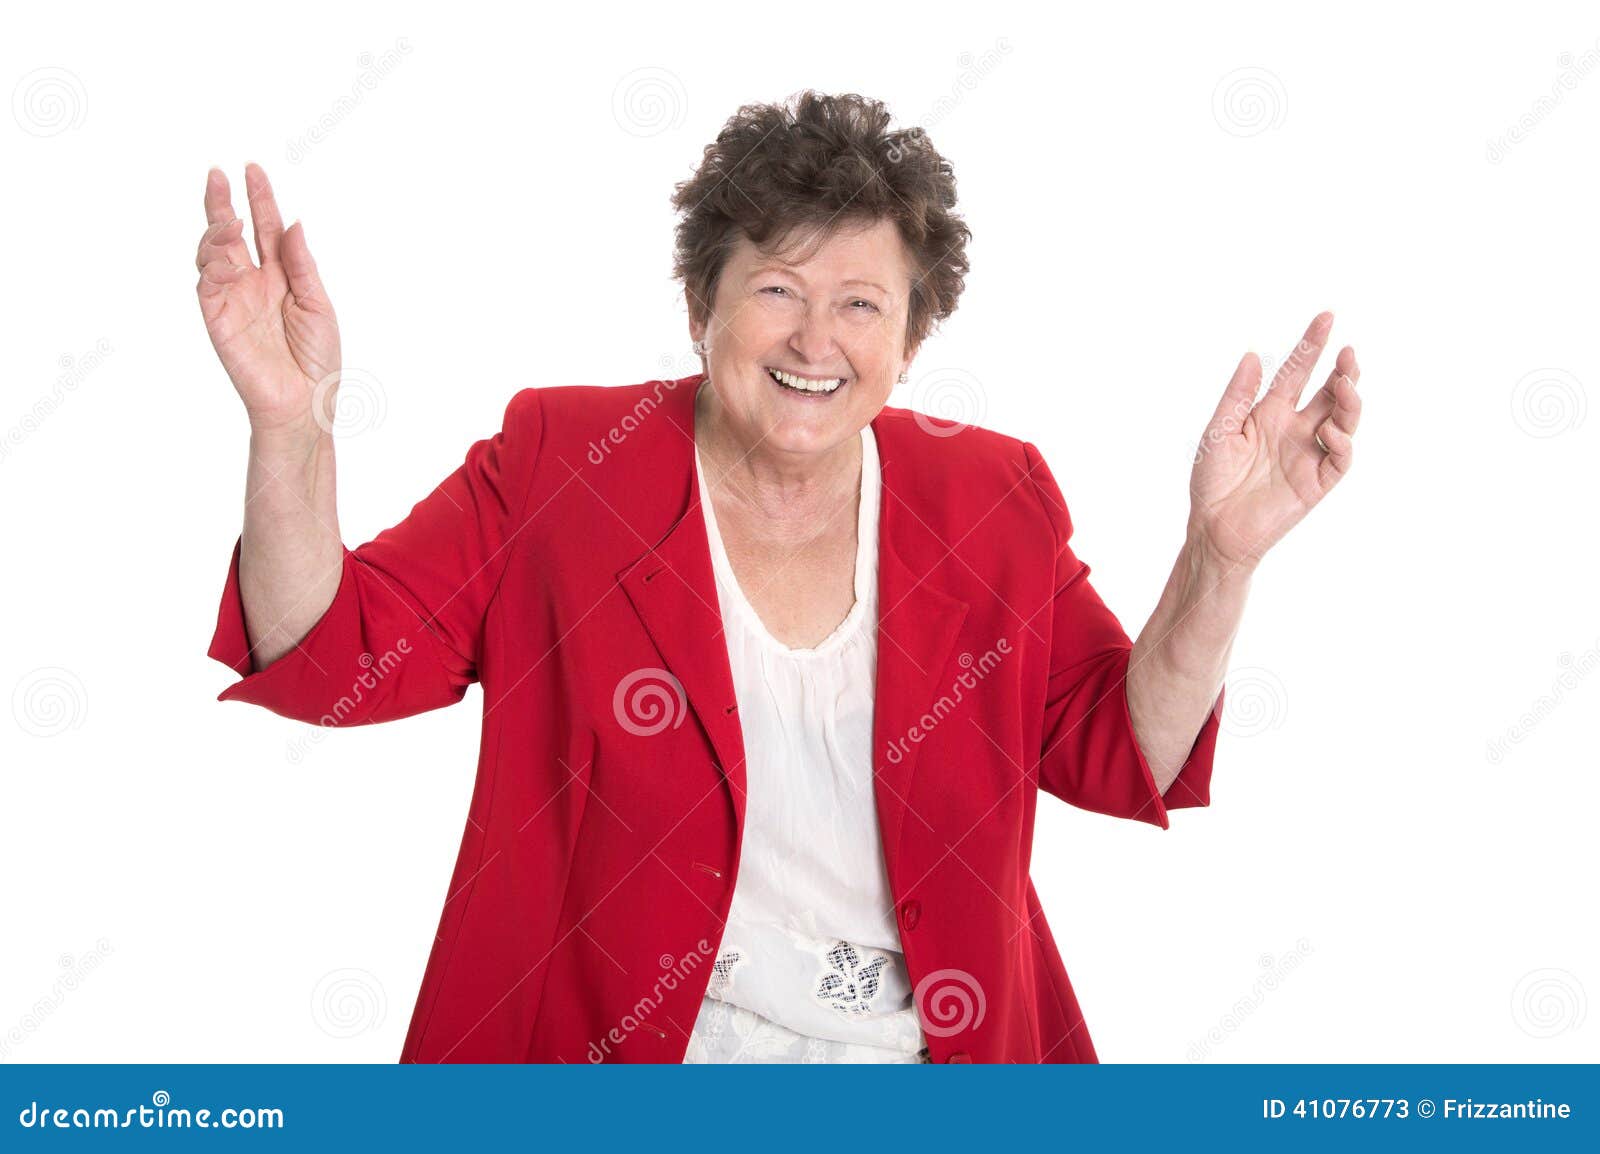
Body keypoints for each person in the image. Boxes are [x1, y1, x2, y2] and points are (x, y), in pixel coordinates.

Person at [195, 91, 1363, 1063]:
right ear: (699, 305)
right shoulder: (563, 463)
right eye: (776, 291)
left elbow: (1121, 746)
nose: (815, 341)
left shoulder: (991, 499)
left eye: (860, 305)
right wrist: (290, 427)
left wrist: (1219, 559)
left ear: (909, 340)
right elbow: (328, 654)